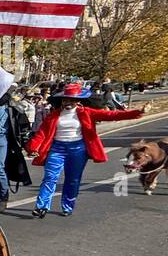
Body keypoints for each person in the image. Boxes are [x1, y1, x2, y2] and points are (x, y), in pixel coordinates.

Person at [26, 82, 144, 217]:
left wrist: (138, 112)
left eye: (71, 100)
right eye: (65, 99)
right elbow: (42, 133)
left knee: (72, 179)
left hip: (77, 149)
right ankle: (41, 207)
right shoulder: (53, 115)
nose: (68, 102)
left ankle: (67, 206)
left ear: (78, 101)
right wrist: (34, 147)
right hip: (57, 149)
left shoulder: (87, 113)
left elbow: (112, 115)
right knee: (49, 178)